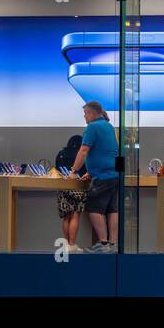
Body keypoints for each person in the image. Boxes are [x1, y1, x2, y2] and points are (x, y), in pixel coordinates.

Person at [65, 101, 119, 252]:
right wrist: (90, 171)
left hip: (102, 177)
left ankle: (103, 244)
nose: (84, 117)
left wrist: (73, 171)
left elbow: (83, 151)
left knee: (94, 209)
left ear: (92, 113)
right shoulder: (108, 127)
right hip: (114, 175)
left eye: (85, 113)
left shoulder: (92, 127)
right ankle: (113, 244)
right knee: (112, 209)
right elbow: (108, 151)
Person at [54, 134, 87, 252]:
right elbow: (86, 171)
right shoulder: (82, 154)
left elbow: (57, 169)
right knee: (75, 215)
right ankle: (72, 244)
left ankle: (67, 244)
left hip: (63, 186)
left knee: (66, 217)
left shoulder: (61, 153)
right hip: (77, 187)